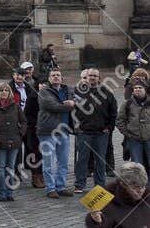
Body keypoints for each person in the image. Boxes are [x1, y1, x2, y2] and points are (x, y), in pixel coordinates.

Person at [73, 68, 118, 193]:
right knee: (82, 159)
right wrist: (76, 127)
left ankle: (100, 185)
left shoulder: (107, 92)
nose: (92, 77)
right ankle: (79, 184)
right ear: (86, 77)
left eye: (95, 76)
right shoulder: (78, 91)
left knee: (100, 160)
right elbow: (73, 111)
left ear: (99, 78)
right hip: (84, 132)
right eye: (90, 75)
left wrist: (109, 128)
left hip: (101, 133)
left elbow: (113, 111)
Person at [37, 67, 76, 197]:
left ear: (61, 77)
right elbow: (52, 106)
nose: (56, 77)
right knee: (49, 162)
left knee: (63, 162)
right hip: (48, 131)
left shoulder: (68, 90)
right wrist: (69, 105)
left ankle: (61, 186)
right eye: (53, 75)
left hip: (64, 131)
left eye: (58, 75)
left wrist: (74, 102)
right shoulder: (44, 91)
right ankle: (50, 188)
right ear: (49, 78)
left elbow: (80, 100)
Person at [0, 82, 25, 202]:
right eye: (0, 90)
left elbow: (23, 121)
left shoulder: (15, 106)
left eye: (5, 90)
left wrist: (20, 133)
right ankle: (1, 192)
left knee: (11, 168)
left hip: (14, 141)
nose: (3, 92)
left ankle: (9, 192)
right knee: (0, 169)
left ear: (9, 92)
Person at [119, 73, 150, 171]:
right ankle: (140, 185)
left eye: (140, 87)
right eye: (135, 88)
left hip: (149, 138)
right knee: (137, 166)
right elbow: (120, 120)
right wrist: (127, 133)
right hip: (134, 139)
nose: (137, 89)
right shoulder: (127, 103)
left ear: (145, 89)